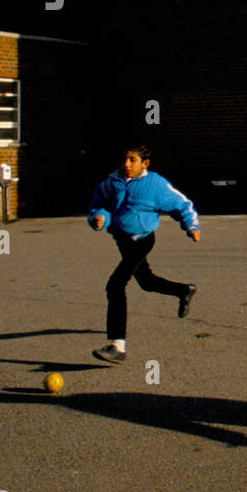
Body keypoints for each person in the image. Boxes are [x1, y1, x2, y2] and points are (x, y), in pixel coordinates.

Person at [88, 144, 200, 363]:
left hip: (143, 240)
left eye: (132, 160)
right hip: (122, 240)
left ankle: (117, 345)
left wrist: (191, 226)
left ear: (144, 163)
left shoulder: (155, 184)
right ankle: (184, 290)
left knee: (116, 284)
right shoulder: (111, 183)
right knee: (147, 282)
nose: (126, 164)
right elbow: (99, 206)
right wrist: (99, 219)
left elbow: (181, 204)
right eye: (124, 159)